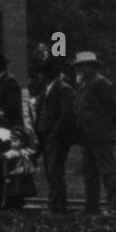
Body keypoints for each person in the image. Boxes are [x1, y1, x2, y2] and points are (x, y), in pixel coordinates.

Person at [74, 51, 116, 214]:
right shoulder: (85, 84)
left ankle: (115, 207)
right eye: (79, 66)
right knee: (90, 173)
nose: (81, 68)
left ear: (93, 66)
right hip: (87, 136)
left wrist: (108, 128)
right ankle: (91, 207)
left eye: (84, 65)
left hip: (100, 135)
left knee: (108, 171)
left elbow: (114, 108)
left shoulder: (101, 83)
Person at [36, 57, 79, 213]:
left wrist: (54, 133)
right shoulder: (46, 90)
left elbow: (66, 114)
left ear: (47, 74)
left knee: (55, 171)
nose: (38, 76)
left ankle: (56, 207)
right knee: (51, 171)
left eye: (40, 73)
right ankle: (57, 205)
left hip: (58, 138)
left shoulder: (63, 89)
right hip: (46, 137)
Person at [2, 128, 39, 211]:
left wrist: (33, 168)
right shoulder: (9, 155)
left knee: (20, 191)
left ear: (22, 143)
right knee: (11, 192)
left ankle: (19, 205)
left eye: (15, 141)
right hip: (12, 177)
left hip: (22, 177)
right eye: (11, 142)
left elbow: (32, 162)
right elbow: (6, 166)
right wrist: (6, 175)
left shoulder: (25, 153)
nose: (12, 144)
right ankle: (9, 205)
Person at [0, 54, 24, 129]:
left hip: (11, 127)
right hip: (4, 125)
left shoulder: (10, 81)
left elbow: (11, 108)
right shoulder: (2, 80)